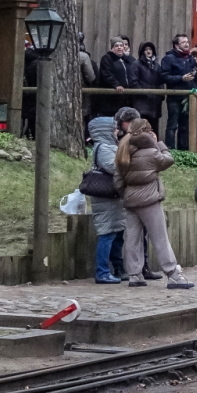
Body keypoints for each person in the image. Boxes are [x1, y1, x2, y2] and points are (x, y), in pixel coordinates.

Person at [113, 118, 193, 289]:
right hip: (149, 199)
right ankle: (173, 274)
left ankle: (135, 275)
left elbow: (118, 180)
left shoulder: (122, 150)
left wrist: (126, 194)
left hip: (130, 199)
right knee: (160, 238)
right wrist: (159, 143)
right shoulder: (151, 151)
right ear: (147, 131)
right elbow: (168, 160)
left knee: (132, 239)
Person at [85, 112, 130, 283]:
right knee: (107, 234)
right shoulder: (103, 147)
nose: (117, 131)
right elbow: (113, 167)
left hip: (113, 198)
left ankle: (117, 268)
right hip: (105, 198)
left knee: (116, 232)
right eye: (114, 129)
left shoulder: (110, 145)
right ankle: (102, 272)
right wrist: (127, 163)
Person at [160, 34, 197, 150]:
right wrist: (181, 78)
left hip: (188, 96)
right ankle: (170, 150)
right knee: (172, 125)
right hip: (174, 96)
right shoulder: (168, 59)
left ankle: (183, 151)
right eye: (183, 42)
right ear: (176, 45)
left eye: (187, 42)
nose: (187, 44)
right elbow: (164, 76)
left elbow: (195, 77)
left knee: (185, 126)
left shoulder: (190, 58)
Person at [97, 36, 134, 117]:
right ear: (112, 48)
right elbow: (106, 74)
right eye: (116, 46)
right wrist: (116, 84)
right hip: (111, 99)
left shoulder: (128, 60)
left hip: (126, 98)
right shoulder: (107, 59)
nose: (119, 48)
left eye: (121, 46)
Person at [132, 42, 163, 132]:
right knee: (141, 128)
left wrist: (160, 95)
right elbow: (134, 82)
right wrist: (144, 93)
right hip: (141, 101)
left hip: (155, 102)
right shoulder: (136, 64)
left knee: (154, 128)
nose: (148, 51)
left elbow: (160, 81)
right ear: (142, 52)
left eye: (150, 49)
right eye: (146, 50)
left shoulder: (156, 66)